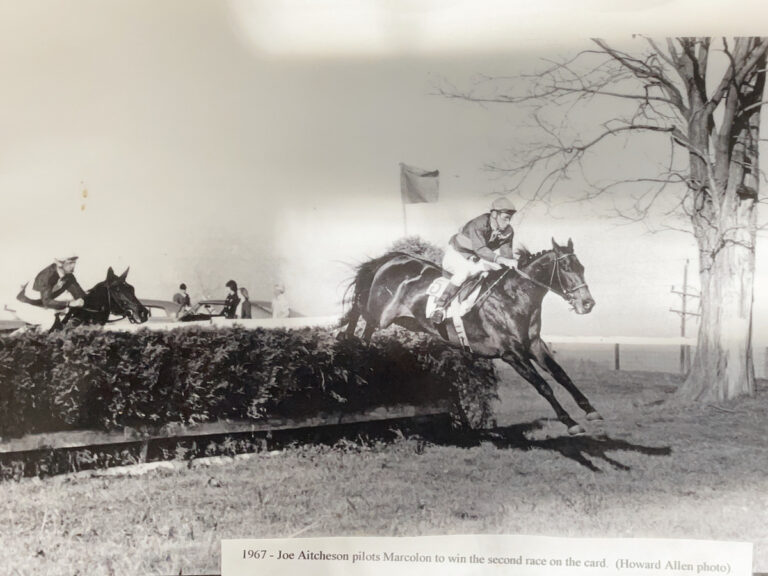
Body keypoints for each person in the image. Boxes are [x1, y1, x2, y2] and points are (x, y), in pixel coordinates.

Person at [430, 196, 518, 324]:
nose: (508, 222)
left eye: (510, 218)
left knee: (494, 272)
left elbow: (507, 254)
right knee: (463, 273)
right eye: (506, 218)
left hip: (475, 258)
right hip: (456, 254)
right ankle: (439, 308)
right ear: (494, 214)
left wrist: (511, 264)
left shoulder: (508, 231)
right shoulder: (479, 223)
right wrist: (501, 259)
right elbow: (480, 249)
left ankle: (470, 308)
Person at [13, 254, 86, 331]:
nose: (73, 266)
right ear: (59, 263)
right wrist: (69, 303)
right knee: (50, 320)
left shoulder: (69, 277)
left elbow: (80, 295)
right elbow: (47, 302)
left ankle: (29, 331)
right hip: (24, 306)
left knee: (65, 314)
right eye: (70, 263)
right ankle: (27, 333)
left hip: (40, 305)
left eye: (74, 262)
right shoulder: (46, 276)